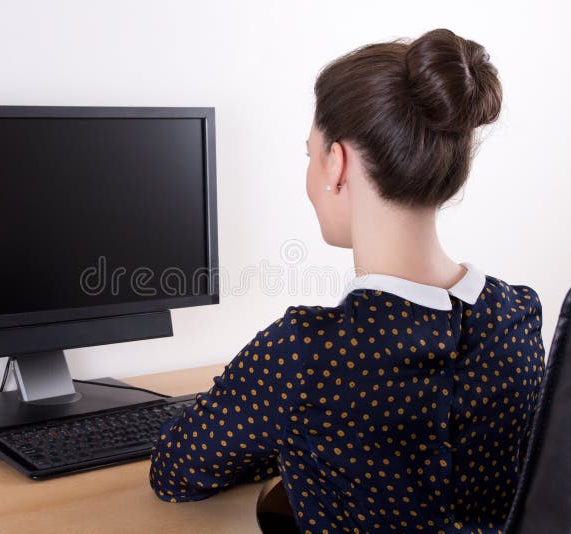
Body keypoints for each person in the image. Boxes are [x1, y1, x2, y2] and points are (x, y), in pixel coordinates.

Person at [148, 28, 545, 534]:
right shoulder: (518, 318)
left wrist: (282, 432)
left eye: (310, 153)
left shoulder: (305, 355)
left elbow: (174, 473)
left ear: (337, 164)